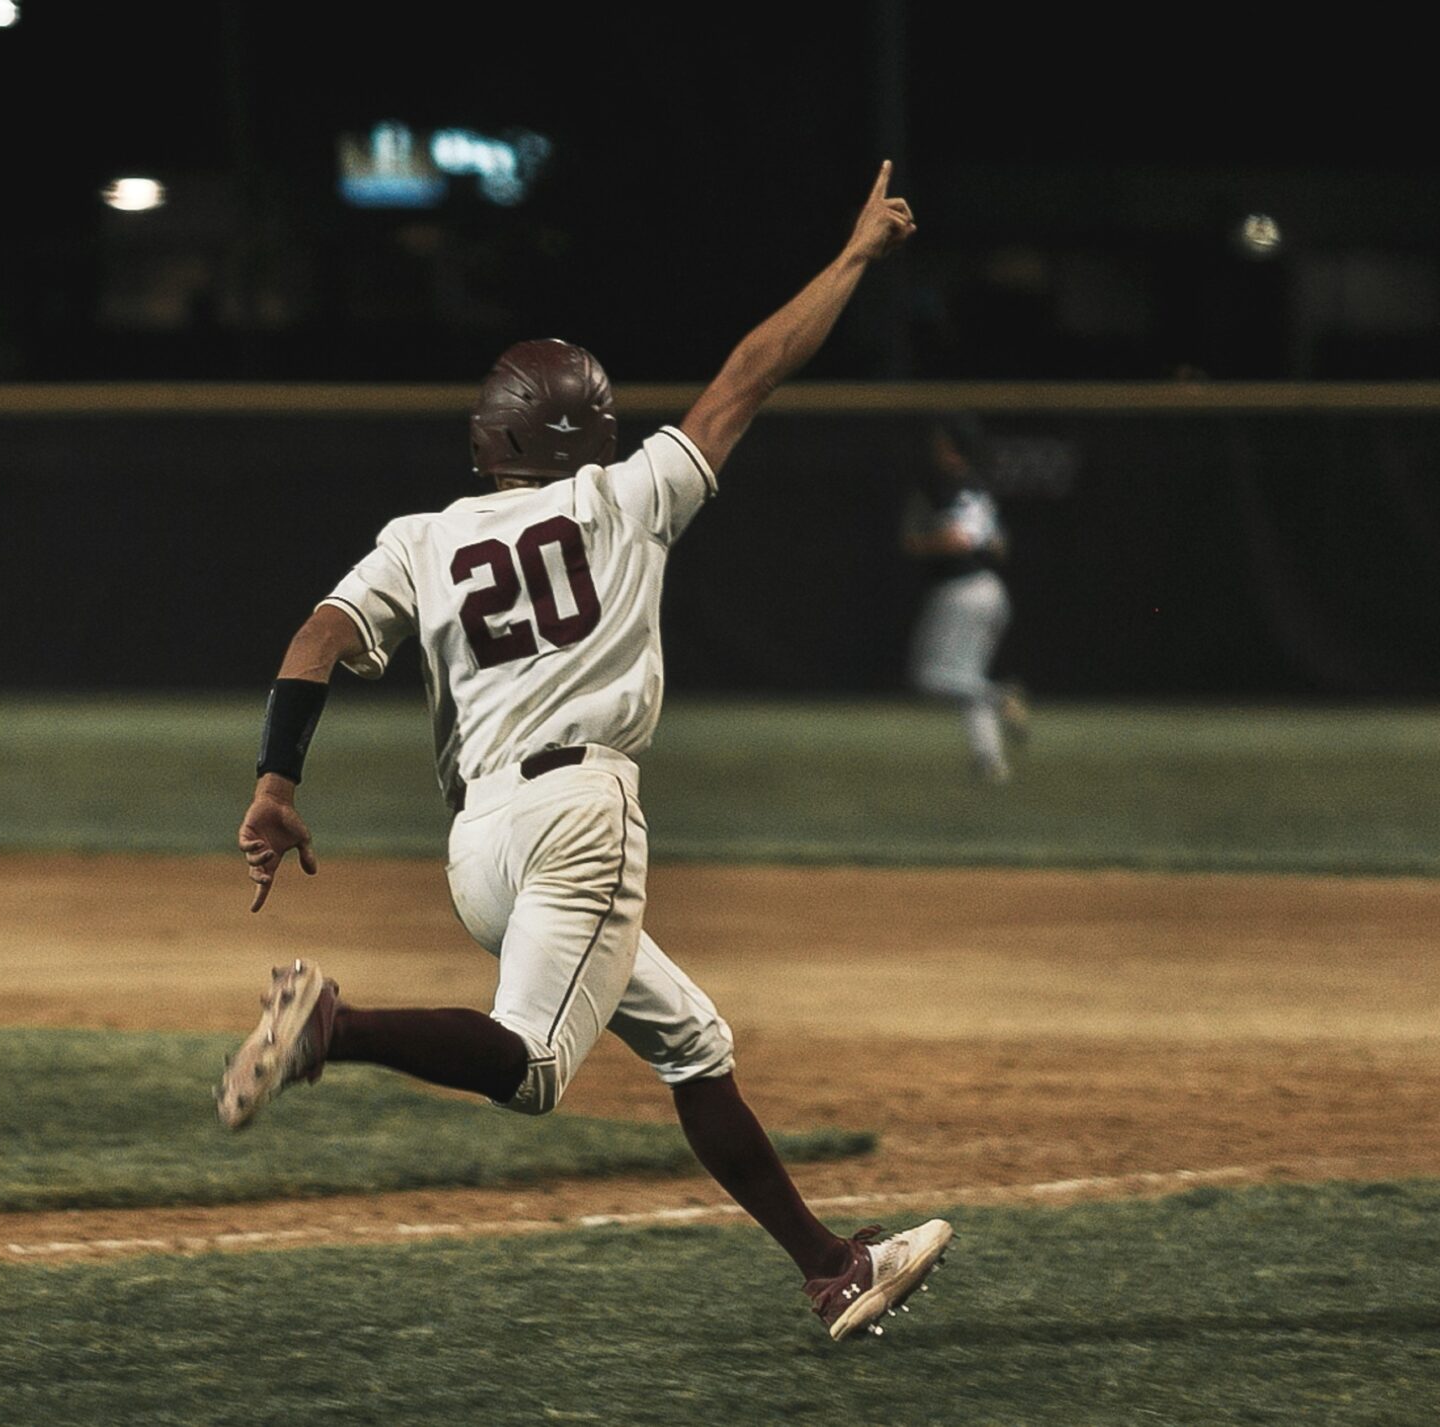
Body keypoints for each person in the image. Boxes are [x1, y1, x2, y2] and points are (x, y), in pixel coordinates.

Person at [218, 162, 951, 1342]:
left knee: (692, 1041)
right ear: (591, 428)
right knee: (534, 1065)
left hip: (477, 852)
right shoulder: (628, 494)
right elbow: (751, 369)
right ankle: (331, 1029)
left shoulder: (425, 534)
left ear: (492, 435)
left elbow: (316, 635)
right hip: (580, 816)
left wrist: (273, 780)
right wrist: (856, 258)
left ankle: (829, 1264)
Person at [901, 414, 1029, 783]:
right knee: (968, 678)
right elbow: (1001, 547)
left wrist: (928, 544)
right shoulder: (980, 488)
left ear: (951, 447)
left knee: (931, 678)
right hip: (991, 590)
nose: (935, 448)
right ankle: (991, 762)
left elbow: (941, 541)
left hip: (960, 590)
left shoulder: (939, 486)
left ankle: (1001, 695)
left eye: (941, 442)